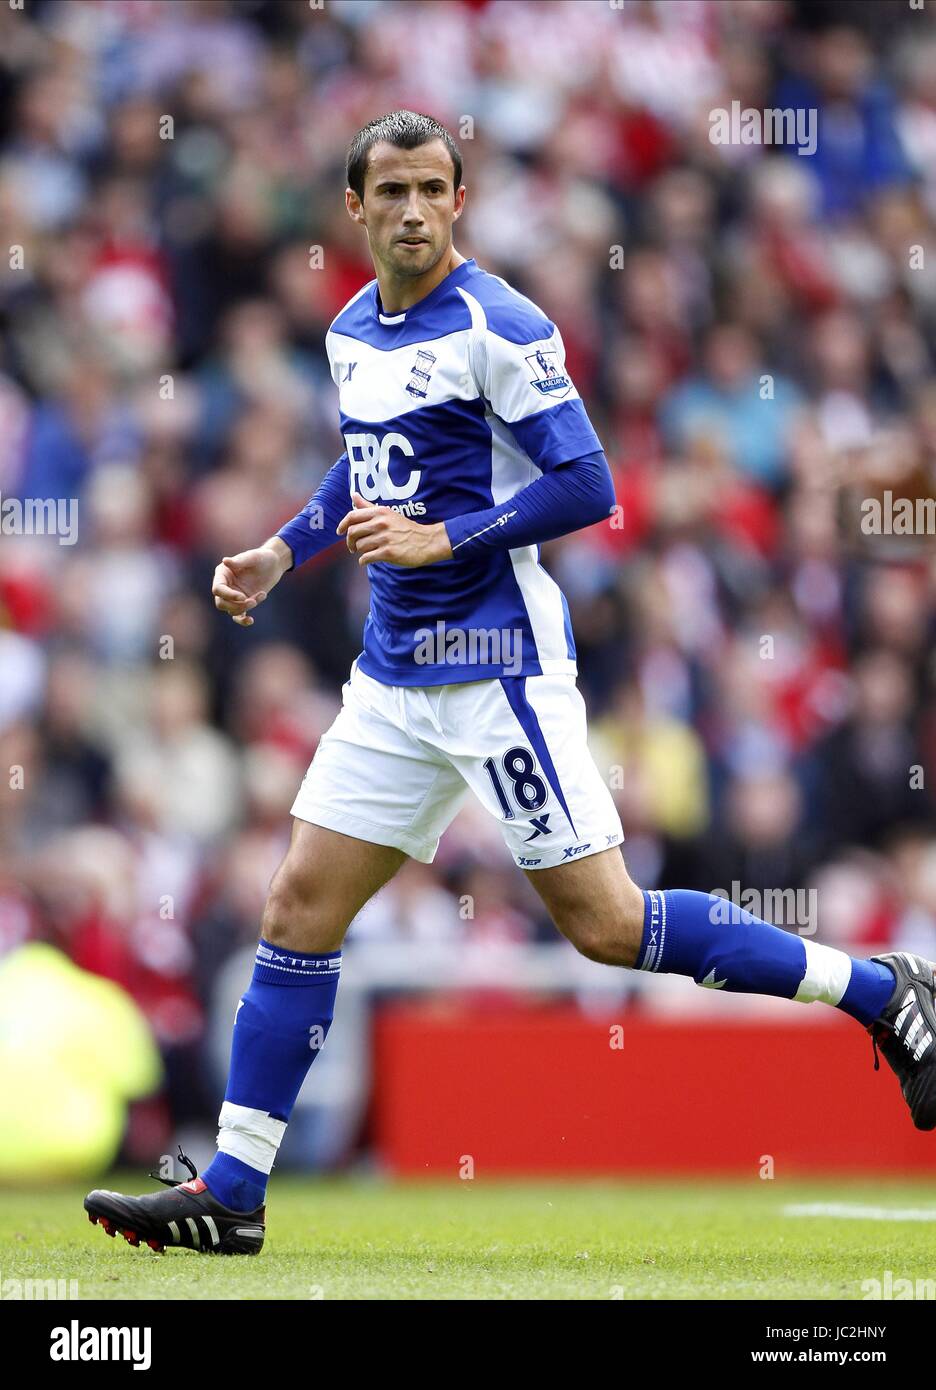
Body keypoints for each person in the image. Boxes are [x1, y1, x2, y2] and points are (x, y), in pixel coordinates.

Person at [85, 111, 936, 1257]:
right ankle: (235, 1191)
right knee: (297, 907)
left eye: (434, 189)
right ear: (355, 208)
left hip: (498, 668)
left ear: (460, 200)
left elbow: (590, 485)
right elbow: (367, 459)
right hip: (393, 677)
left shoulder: (503, 323)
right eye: (391, 193)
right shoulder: (349, 329)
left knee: (607, 925)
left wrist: (452, 540)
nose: (414, 211)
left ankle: (881, 990)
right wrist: (288, 546)